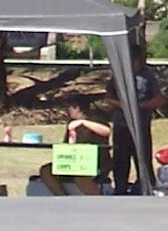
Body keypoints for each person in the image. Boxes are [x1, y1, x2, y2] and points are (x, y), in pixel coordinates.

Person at [38, 95, 111, 195]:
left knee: (80, 176)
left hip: (95, 163)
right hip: (73, 162)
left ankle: (96, 199)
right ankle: (62, 197)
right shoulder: (71, 124)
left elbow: (107, 131)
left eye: (70, 107)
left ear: (77, 108)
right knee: (46, 170)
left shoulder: (95, 119)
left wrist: (83, 122)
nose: (68, 110)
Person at [109, 46, 157, 196]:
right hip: (121, 124)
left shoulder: (148, 76)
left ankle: (145, 186)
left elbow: (159, 99)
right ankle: (120, 188)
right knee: (120, 158)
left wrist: (139, 106)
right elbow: (109, 98)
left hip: (140, 124)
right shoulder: (118, 75)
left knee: (142, 157)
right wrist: (124, 105)